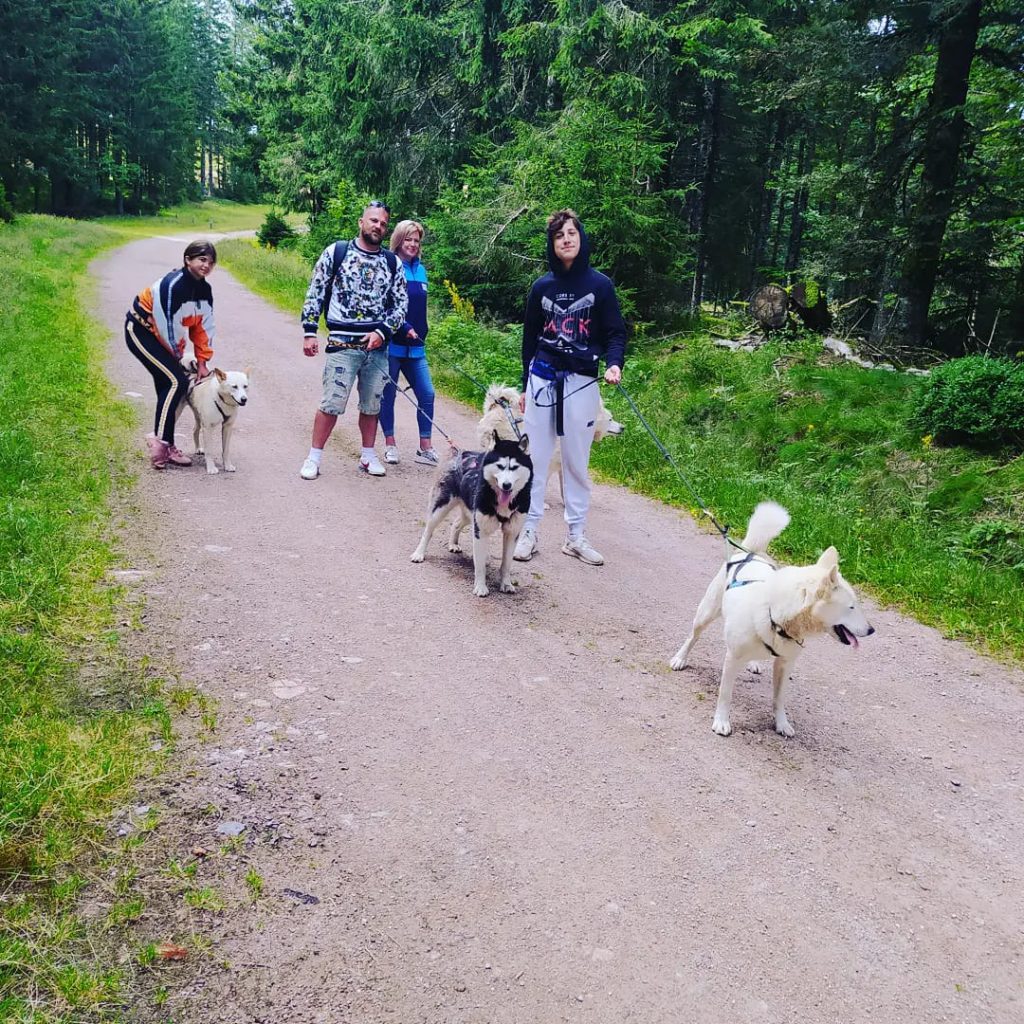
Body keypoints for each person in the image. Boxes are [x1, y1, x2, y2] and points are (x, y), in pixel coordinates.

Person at [513, 209, 626, 566]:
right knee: (536, 458)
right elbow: (529, 338)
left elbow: (615, 332)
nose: (566, 239)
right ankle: (527, 531)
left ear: (581, 238)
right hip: (543, 378)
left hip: (582, 381)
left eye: (572, 233)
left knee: (577, 460)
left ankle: (575, 535)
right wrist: (523, 385)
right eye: (560, 234)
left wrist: (613, 363)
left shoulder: (600, 286)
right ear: (552, 243)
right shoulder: (542, 287)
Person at [299, 201, 408, 479]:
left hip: (377, 346)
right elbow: (316, 290)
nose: (378, 226)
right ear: (361, 222)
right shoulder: (337, 252)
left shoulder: (392, 262)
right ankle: (314, 457)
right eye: (373, 220)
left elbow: (400, 305)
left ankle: (368, 455)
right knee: (332, 402)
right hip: (342, 343)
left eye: (383, 223)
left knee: (372, 404)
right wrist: (310, 331)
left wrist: (382, 332)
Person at [124, 239, 217, 470]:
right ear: (188, 260)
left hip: (163, 338)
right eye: (202, 259)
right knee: (176, 381)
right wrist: (177, 355)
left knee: (169, 384)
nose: (206, 265)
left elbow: (203, 327)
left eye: (211, 262)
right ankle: (161, 443)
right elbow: (167, 326)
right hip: (141, 331)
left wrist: (203, 362)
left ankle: (165, 441)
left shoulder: (204, 290)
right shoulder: (172, 285)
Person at [378, 219, 439, 466]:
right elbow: (384, 306)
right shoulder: (389, 265)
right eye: (408, 239)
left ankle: (425, 447)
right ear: (398, 240)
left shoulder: (421, 270)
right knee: (388, 395)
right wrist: (403, 327)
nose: (413, 244)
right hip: (392, 343)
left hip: (416, 346)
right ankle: (390, 444)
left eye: (416, 240)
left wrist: (422, 329)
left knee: (427, 393)